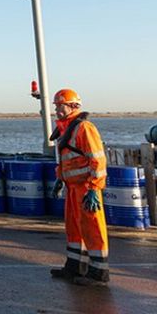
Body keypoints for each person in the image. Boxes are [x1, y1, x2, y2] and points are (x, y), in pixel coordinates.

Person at [48, 88, 109, 286]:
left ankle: (98, 272)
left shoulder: (84, 128)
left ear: (73, 106)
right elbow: (66, 159)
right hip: (72, 187)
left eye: (61, 106)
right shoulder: (65, 129)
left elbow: (97, 160)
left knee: (92, 227)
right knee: (73, 228)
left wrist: (93, 188)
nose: (57, 110)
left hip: (86, 188)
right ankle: (74, 266)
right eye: (56, 106)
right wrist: (60, 179)